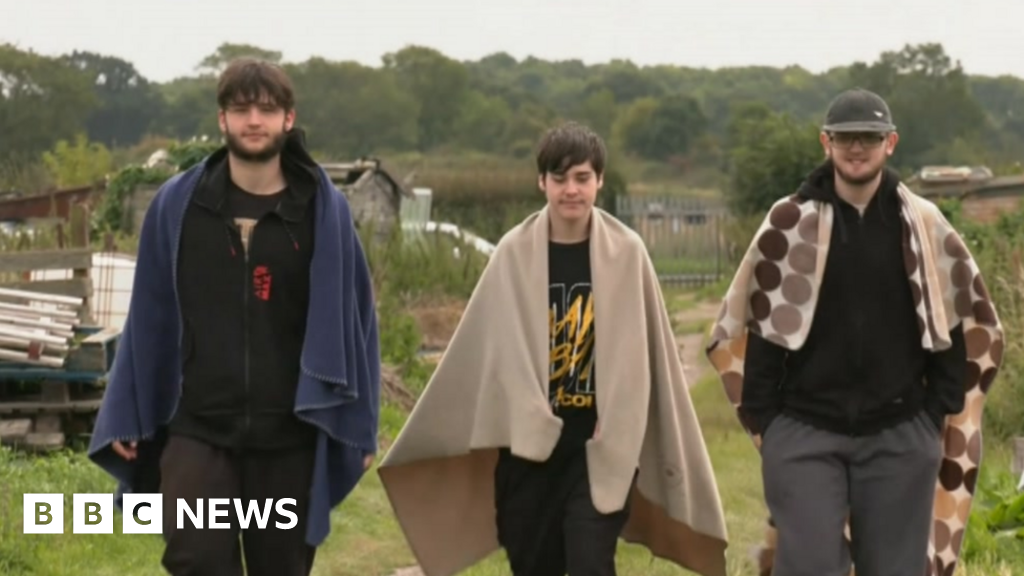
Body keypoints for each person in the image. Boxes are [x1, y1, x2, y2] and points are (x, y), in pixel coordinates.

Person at [376, 122, 729, 576]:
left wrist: (621, 419)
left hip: (599, 445)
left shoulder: (628, 253)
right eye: (559, 178)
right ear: (541, 182)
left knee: (589, 561)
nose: (571, 190)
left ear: (599, 180)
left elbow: (647, 354)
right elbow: (486, 350)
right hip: (530, 450)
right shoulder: (513, 253)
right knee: (534, 563)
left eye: (582, 178)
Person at [87, 58, 381, 576]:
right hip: (199, 428)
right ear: (221, 120)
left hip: (289, 434)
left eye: (267, 110)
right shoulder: (177, 207)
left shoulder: (322, 212)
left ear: (288, 120)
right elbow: (148, 318)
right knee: (194, 558)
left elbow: (356, 323)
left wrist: (358, 426)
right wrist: (124, 411)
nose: (253, 121)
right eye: (240, 109)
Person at [705, 88, 1005, 576]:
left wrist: (933, 418)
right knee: (809, 566)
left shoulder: (924, 224)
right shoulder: (788, 221)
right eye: (846, 137)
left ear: (891, 143)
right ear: (826, 142)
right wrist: (772, 425)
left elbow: (957, 321)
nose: (857, 147)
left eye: (870, 136)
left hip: (901, 435)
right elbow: (758, 323)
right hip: (804, 433)